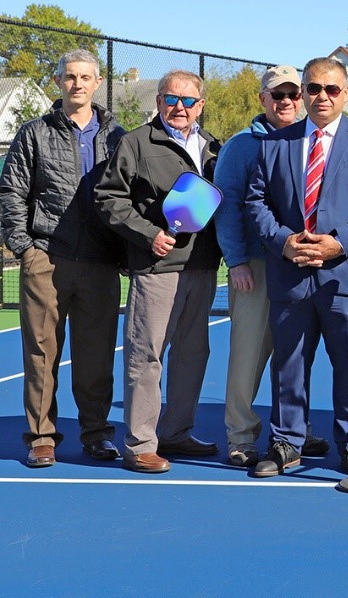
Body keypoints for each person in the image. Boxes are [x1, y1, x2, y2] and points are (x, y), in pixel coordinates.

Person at [244, 57, 348, 478]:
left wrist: (338, 243)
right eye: (313, 88)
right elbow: (256, 201)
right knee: (288, 365)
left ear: (345, 94)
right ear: (303, 92)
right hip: (290, 274)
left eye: (331, 89)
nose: (321, 96)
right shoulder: (274, 143)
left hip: (344, 276)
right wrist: (284, 242)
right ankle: (287, 443)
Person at [0, 49, 125, 468]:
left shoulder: (118, 136)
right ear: (58, 82)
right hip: (47, 258)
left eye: (85, 77)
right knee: (41, 355)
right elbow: (11, 192)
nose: (77, 84)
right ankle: (41, 437)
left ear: (97, 82)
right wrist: (25, 247)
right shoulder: (34, 132)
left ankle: (96, 433)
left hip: (101, 264)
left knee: (97, 356)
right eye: (70, 77)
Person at [96, 69, 223, 473]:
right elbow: (108, 198)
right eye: (171, 99)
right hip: (156, 269)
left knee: (192, 355)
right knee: (146, 355)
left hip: (202, 267)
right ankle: (140, 444)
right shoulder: (135, 143)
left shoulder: (213, 147)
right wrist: (149, 235)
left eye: (188, 100)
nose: (179, 107)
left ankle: (176, 433)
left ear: (200, 105)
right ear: (158, 102)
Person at [213, 65, 329, 467]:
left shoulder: (309, 139)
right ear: (263, 99)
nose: (287, 102)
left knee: (295, 355)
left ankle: (295, 430)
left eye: (293, 94)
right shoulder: (241, 146)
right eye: (277, 95)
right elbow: (227, 206)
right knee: (248, 356)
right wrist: (237, 261)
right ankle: (241, 436)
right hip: (258, 268)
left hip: (302, 266)